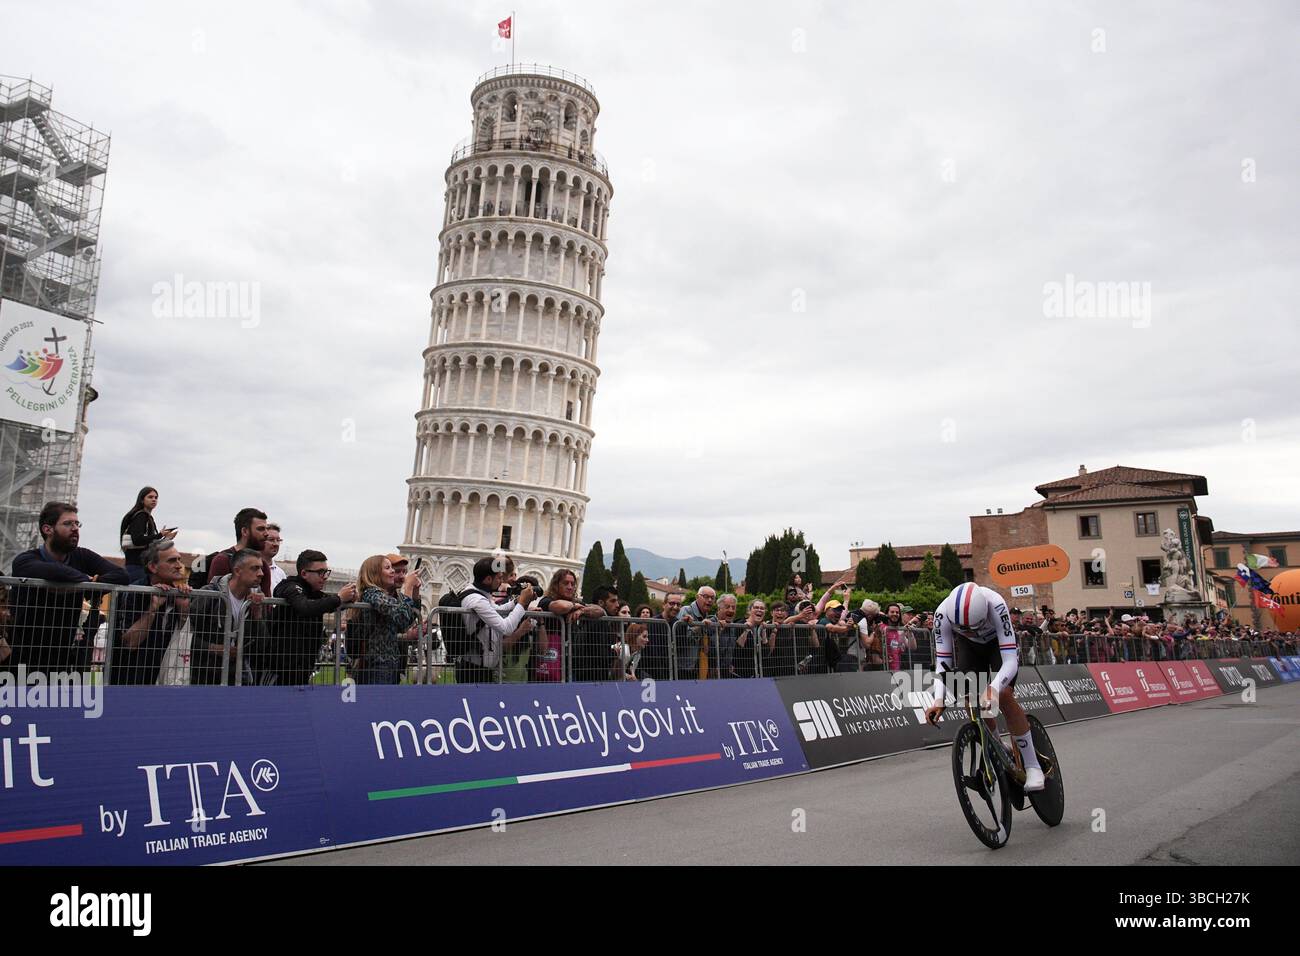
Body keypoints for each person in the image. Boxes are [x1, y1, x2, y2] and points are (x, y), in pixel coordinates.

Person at [924, 583, 1044, 792]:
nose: (971, 632)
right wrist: (939, 700)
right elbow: (943, 662)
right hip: (970, 649)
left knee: (1004, 695)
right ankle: (998, 745)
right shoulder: (942, 614)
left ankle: (1033, 766)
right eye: (964, 628)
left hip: (998, 645)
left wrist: (994, 688)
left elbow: (1010, 662)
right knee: (968, 695)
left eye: (975, 627)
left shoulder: (996, 604)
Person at [10, 502, 130, 671]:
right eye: (67, 524)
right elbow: (53, 571)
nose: (75, 528)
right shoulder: (26, 560)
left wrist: (89, 583)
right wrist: (87, 581)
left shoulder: (82, 556)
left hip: (64, 655)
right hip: (26, 654)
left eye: (77, 523)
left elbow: (122, 575)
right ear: (47, 529)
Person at [270, 549, 358, 685]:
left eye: (326, 572)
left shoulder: (313, 593)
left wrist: (350, 599)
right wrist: (339, 598)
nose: (325, 576)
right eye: (320, 572)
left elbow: (328, 603)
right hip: (278, 667)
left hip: (302, 665)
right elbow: (304, 607)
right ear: (304, 573)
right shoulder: (291, 586)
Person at [113, 538, 192, 684]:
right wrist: (153, 609)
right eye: (171, 561)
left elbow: (182, 641)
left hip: (165, 679)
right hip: (130, 679)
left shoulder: (179, 594)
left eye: (179, 560)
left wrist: (183, 610)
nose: (179, 566)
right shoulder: (134, 592)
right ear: (153, 567)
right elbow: (129, 643)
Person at [190, 548, 268, 685]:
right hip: (204, 675)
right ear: (237, 571)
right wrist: (214, 648)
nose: (261, 574)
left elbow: (263, 645)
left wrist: (257, 615)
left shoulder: (256, 600)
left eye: (261, 568)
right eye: (255, 568)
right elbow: (186, 637)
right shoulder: (210, 595)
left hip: (239, 676)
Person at [349, 555, 422, 685]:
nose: (393, 572)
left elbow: (408, 618)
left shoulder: (385, 596)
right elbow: (402, 617)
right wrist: (409, 587)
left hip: (389, 661)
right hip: (378, 662)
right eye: (388, 568)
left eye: (404, 572)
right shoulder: (372, 594)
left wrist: (415, 591)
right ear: (375, 573)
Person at [205, 508, 273, 595]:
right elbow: (214, 600)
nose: (266, 533)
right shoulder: (223, 560)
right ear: (244, 531)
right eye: (260, 529)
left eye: (266, 529)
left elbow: (267, 605)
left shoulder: (263, 565)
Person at [119, 487, 177, 585]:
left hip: (137, 565)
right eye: (150, 497)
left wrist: (166, 538)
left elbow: (148, 543)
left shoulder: (145, 516)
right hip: (137, 565)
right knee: (137, 596)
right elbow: (137, 540)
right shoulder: (141, 516)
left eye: (156, 497)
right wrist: (160, 535)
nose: (154, 499)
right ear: (142, 500)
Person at [265, 524, 287, 593]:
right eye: (271, 540)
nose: (276, 544)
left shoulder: (280, 573)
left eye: (278, 540)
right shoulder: (250, 570)